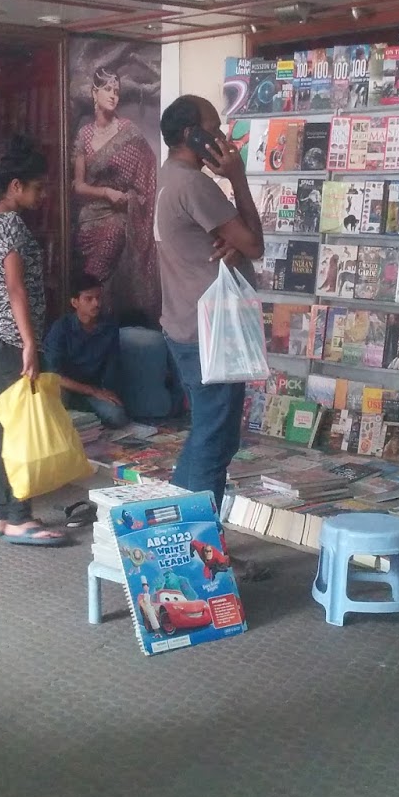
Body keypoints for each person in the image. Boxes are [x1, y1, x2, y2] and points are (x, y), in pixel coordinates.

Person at [154, 95, 264, 508]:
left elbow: (211, 242)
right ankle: (198, 549)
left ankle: (180, 531)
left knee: (210, 433)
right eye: (214, 129)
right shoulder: (195, 183)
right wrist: (237, 177)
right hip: (210, 332)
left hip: (184, 323)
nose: (221, 137)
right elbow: (254, 244)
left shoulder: (167, 176)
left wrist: (226, 245)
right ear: (191, 135)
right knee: (214, 440)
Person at [0, 136, 67, 545]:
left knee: (6, 426)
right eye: (37, 187)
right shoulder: (10, 224)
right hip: (11, 336)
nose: (41, 194)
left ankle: (2, 512)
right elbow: (16, 288)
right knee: (19, 427)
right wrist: (30, 341)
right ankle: (17, 515)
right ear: (16, 186)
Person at [71, 66, 160, 322]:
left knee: (95, 278)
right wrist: (106, 192)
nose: (113, 95)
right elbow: (78, 186)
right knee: (96, 282)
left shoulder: (128, 132)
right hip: (88, 220)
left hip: (117, 219)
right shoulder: (84, 135)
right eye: (108, 89)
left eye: (117, 91)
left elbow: (147, 171)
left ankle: (93, 328)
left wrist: (127, 197)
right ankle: (93, 331)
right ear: (94, 93)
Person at [44, 273, 129, 430]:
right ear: (75, 302)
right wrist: (93, 390)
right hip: (66, 389)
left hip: (93, 391)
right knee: (54, 414)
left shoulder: (109, 327)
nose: (96, 303)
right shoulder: (61, 328)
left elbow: (113, 366)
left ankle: (89, 422)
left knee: (117, 416)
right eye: (89, 299)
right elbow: (54, 376)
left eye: (98, 298)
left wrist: (108, 393)